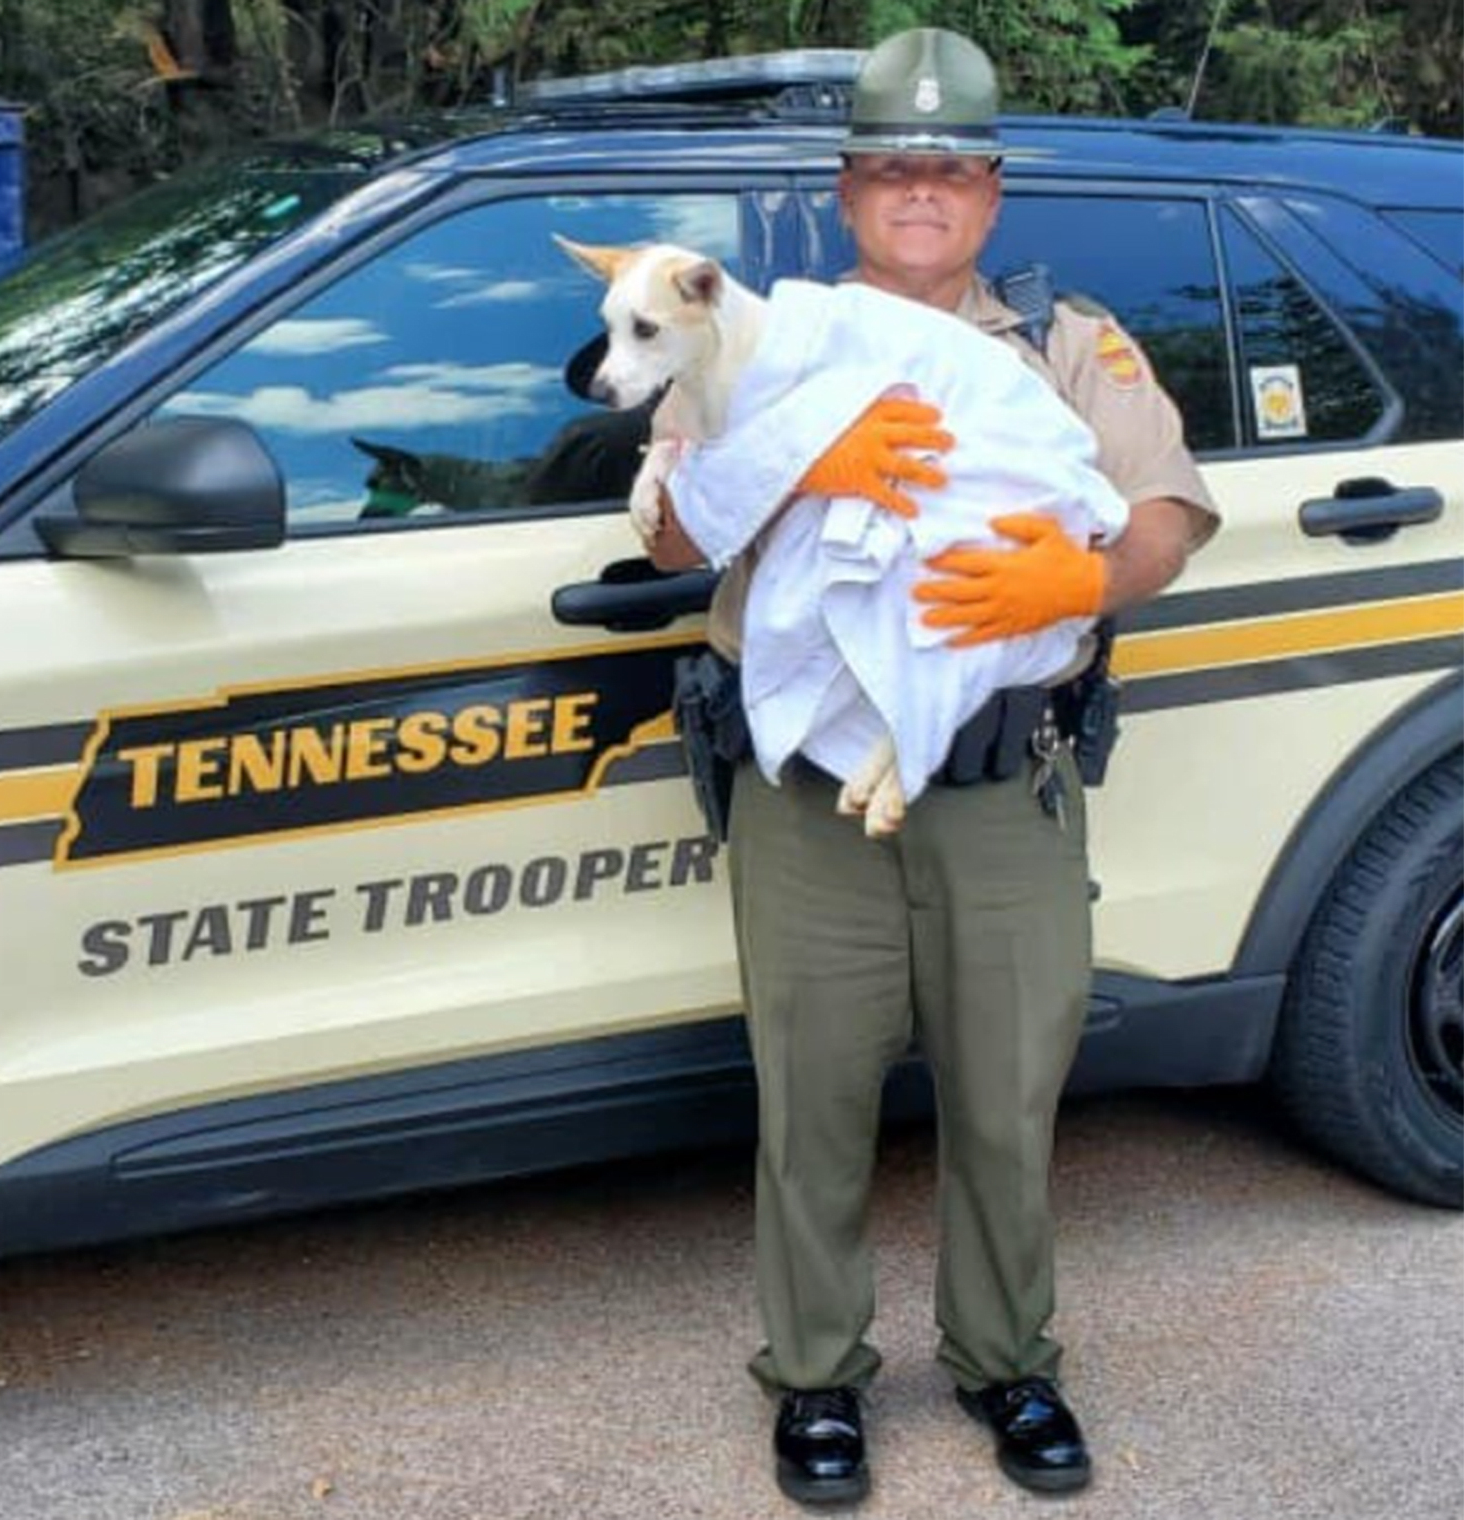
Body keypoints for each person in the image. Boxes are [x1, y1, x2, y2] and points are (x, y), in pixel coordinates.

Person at [650, 27, 1219, 1508]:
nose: (922, 192)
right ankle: (819, 1381)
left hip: (1001, 789)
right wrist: (798, 464)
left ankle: (1008, 1363)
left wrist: (1078, 590)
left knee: (1008, 1095)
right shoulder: (745, 335)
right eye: (893, 168)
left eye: (950, 170)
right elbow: (668, 532)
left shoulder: (1068, 341)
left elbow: (1164, 511)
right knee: (813, 1100)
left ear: (991, 191)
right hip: (809, 801)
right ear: (849, 192)